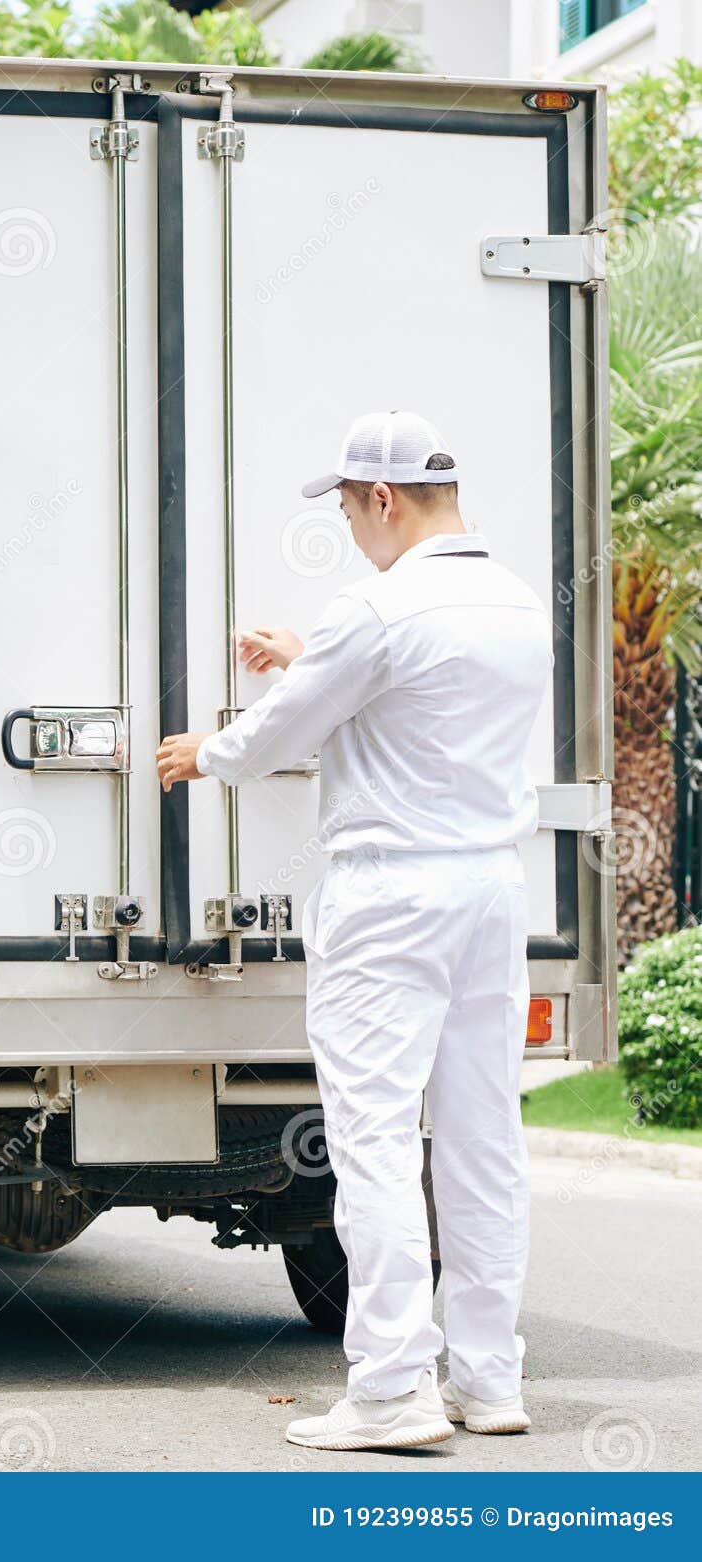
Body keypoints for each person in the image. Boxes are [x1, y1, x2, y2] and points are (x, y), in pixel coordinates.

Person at [156, 410, 553, 1452]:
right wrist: (312, 659)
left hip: (390, 899)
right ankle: (487, 1379)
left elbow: (280, 734)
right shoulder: (516, 604)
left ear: (383, 498)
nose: (349, 529)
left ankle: (389, 1390)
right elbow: (415, 702)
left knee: (373, 1140)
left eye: (346, 510)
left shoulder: (375, 609)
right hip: (489, 890)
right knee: (481, 1141)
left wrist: (207, 752)